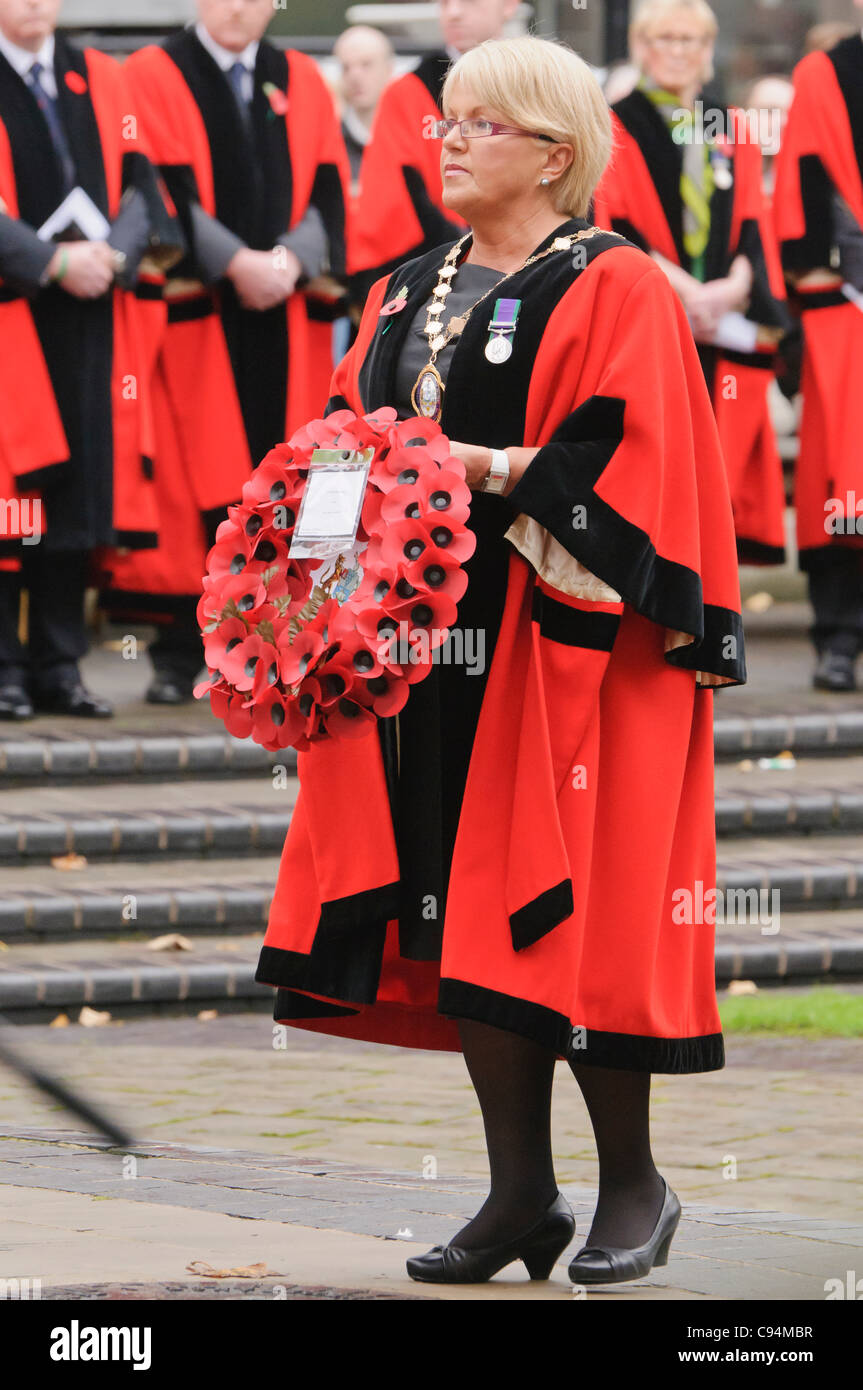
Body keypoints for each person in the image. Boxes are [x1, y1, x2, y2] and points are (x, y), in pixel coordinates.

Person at [252, 34, 745, 1287]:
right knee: (455, 903)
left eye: (478, 124)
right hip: (424, 648)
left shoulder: (616, 284)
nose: (447, 140)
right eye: (444, 122)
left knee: (573, 906)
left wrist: (467, 471)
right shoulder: (404, 287)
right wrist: (305, 602)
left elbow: (620, 474)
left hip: (565, 648)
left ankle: (632, 1182)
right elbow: (337, 444)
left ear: (553, 153)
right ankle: (519, 1193)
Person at [99, 0, 351, 704]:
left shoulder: (299, 74)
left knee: (287, 478)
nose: (239, 6)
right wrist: (236, 262)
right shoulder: (153, 72)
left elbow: (327, 188)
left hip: (286, 312)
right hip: (199, 315)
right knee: (196, 476)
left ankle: (276, 644)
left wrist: (289, 264)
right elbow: (159, 188)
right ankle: (185, 652)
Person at [0, 0, 179, 720]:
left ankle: (59, 664)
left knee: (77, 491)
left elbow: (144, 185)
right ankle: (5, 669)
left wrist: (110, 255)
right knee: (14, 491)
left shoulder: (100, 76)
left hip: (90, 322)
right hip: (14, 316)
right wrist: (50, 262)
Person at [594, 0, 791, 567]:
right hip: (659, 306)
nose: (677, 51)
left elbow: (756, 219)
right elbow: (618, 219)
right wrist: (685, 291)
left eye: (690, 40)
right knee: (665, 460)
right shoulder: (616, 122)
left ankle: (714, 583)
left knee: (720, 466)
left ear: (708, 51)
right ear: (640, 45)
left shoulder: (731, 124)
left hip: (727, 318)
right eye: (665, 38)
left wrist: (732, 289)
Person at [772, 5, 863, 690]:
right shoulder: (824, 72)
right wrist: (809, 277)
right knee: (841, 476)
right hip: (842, 301)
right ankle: (837, 637)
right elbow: (803, 173)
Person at [348, 0, 519, 307]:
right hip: (438, 281)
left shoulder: (535, 86)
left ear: (509, 5)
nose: (453, 12)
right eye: (444, 3)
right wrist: (469, 259)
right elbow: (396, 205)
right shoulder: (408, 93)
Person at [333, 24, 394, 198]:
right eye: (346, 67)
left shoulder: (409, 136)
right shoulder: (331, 140)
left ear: (389, 70)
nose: (355, 76)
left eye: (366, 65)